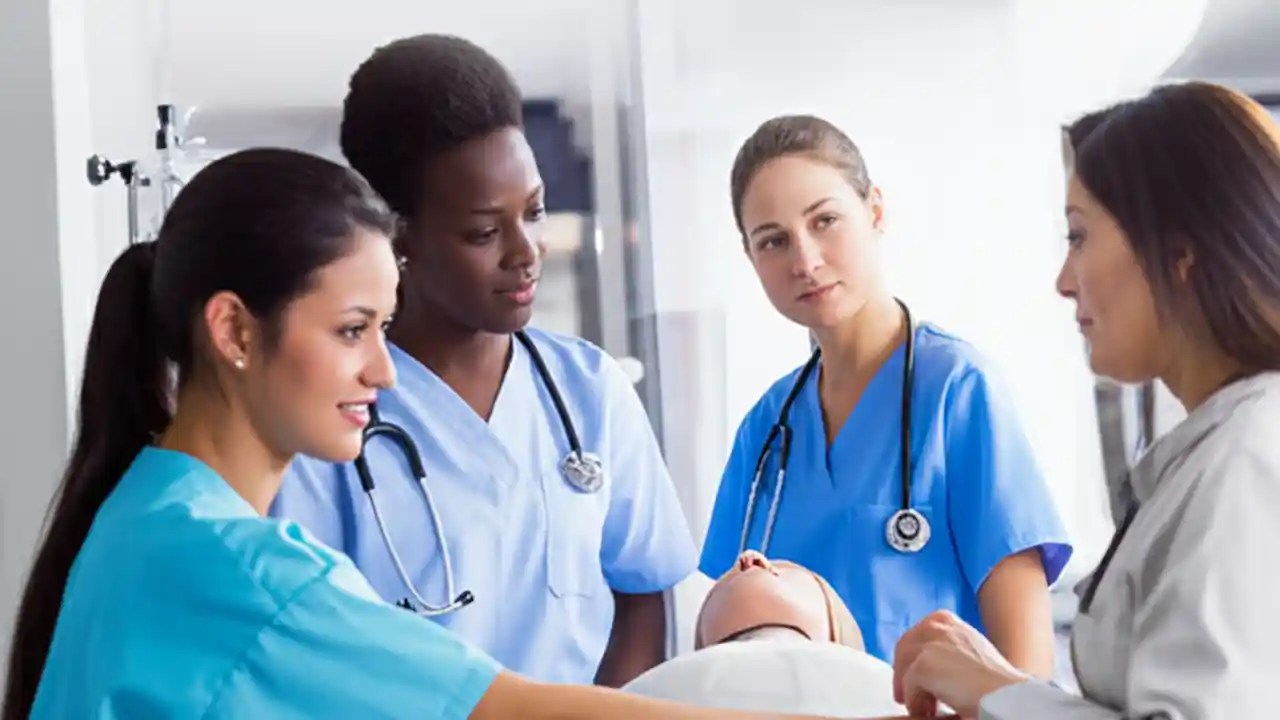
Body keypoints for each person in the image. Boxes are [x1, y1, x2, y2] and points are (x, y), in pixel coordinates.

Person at [0, 147, 873, 720]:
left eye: (384, 328)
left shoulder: (153, 516)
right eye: (351, 330)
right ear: (233, 332)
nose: (383, 373)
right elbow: (514, 710)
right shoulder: (235, 569)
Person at [270, 34, 695, 687]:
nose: (526, 252)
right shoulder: (332, 421)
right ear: (398, 235)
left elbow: (644, 593)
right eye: (484, 232)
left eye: (535, 212)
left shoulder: (588, 392)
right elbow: (312, 652)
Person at [892, 81, 1280, 719]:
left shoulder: (1249, 460)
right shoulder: (1216, 456)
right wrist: (1004, 689)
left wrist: (1001, 695)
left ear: (1180, 252)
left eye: (1078, 237)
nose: (1063, 282)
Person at [699, 114, 1073, 670]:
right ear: (751, 258)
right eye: (773, 240)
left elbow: (1027, 675)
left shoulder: (957, 390)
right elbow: (726, 647)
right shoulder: (767, 429)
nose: (805, 260)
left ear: (875, 210)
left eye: (825, 220)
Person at [625, 551, 906, 717]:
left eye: (784, 570)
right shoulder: (659, 689)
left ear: (837, 633)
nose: (749, 558)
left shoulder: (891, 692)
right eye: (723, 584)